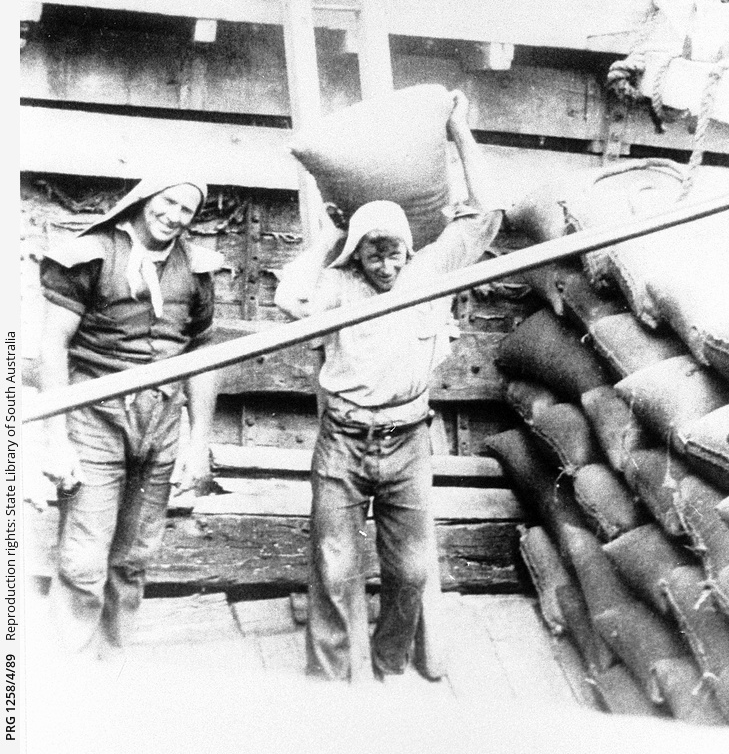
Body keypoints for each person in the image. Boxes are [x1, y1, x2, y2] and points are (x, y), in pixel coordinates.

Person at [275, 91, 503, 683]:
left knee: (412, 570)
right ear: (357, 253)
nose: (386, 263)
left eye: (394, 251)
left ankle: (388, 662)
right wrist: (333, 235)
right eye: (372, 252)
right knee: (333, 565)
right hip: (345, 442)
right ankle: (327, 681)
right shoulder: (335, 286)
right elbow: (288, 298)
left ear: (411, 249)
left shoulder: (429, 273)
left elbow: (484, 210)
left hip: (407, 443)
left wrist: (458, 131)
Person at [38, 173, 223, 658]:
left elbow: (203, 356)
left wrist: (197, 442)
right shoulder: (92, 254)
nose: (175, 216)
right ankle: (69, 669)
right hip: (95, 416)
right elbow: (52, 346)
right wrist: (56, 440)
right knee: (83, 560)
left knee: (134, 558)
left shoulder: (195, 268)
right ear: (144, 199)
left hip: (160, 421)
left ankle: (113, 660)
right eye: (168, 201)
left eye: (187, 209)